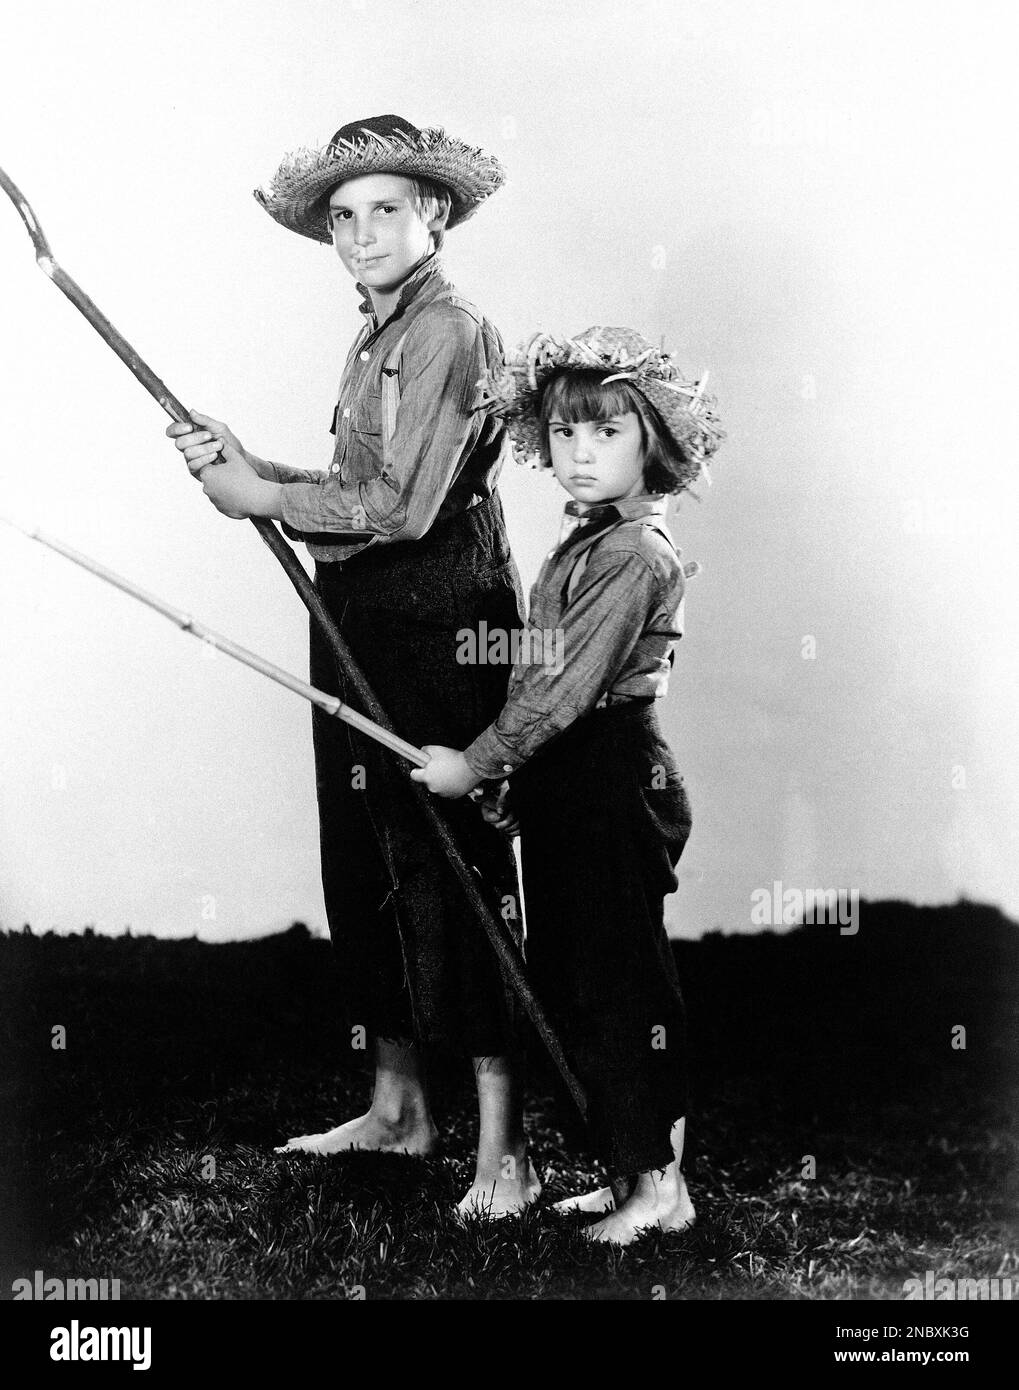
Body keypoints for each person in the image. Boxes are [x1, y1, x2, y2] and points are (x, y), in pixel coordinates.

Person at [166, 114, 540, 1218]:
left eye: (386, 209)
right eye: (343, 215)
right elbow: (353, 488)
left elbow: (404, 506)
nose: (362, 233)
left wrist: (268, 500)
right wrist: (251, 466)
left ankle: (503, 1155)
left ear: (433, 214)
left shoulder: (448, 331)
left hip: (442, 626)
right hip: (358, 618)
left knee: (454, 868)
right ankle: (396, 1108)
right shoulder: (375, 330)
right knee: (363, 859)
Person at [412, 327, 724, 1242]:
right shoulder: (590, 539)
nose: (580, 455)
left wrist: (473, 763)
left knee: (621, 988)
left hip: (613, 776)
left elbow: (562, 688)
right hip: (573, 775)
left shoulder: (634, 554)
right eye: (562, 436)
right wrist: (517, 781)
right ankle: (631, 1173)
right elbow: (541, 675)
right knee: (581, 985)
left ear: (652, 443)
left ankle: (659, 1191)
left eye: (606, 434)